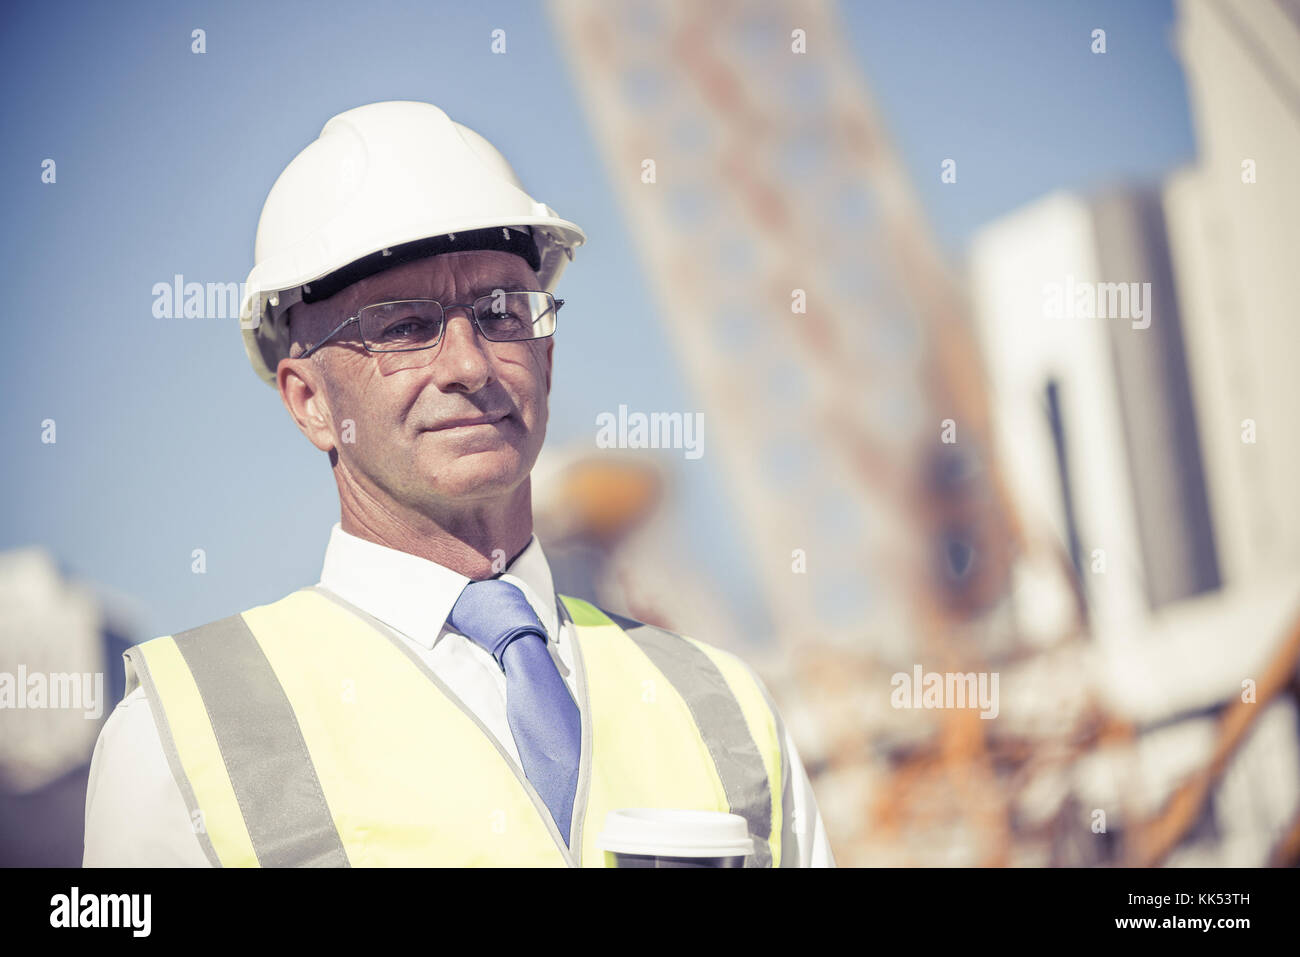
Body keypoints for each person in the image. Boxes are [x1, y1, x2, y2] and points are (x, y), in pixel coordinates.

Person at [82, 101, 835, 867]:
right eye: (404, 326)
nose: (471, 366)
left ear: (546, 357)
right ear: (309, 401)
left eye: (502, 311)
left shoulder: (727, 710)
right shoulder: (180, 746)